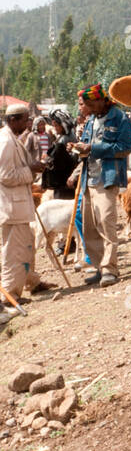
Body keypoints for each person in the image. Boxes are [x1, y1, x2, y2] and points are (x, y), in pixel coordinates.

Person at [72, 84, 131, 288]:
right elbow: (87, 147)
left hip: (107, 177)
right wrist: (79, 148)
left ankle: (110, 269)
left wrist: (93, 148)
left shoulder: (120, 118)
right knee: (90, 226)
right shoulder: (92, 120)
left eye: (90, 103)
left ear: (100, 100)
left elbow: (124, 148)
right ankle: (99, 266)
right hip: (88, 178)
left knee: (106, 222)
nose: (87, 108)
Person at [0, 103, 41, 309]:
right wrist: (30, 170)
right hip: (11, 208)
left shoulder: (13, 139)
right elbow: (5, 176)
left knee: (23, 250)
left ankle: (26, 285)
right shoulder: (6, 141)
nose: (28, 124)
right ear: (13, 119)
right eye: (25, 120)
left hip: (18, 207)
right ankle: (9, 297)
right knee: (13, 254)